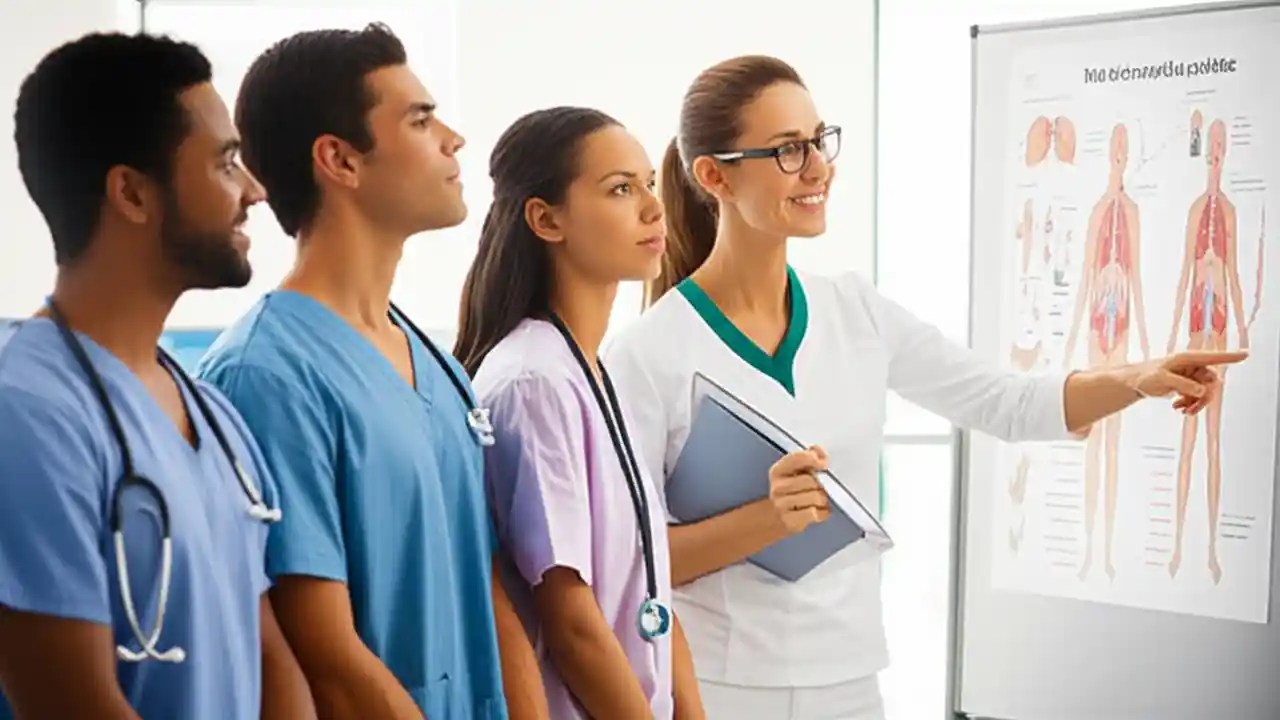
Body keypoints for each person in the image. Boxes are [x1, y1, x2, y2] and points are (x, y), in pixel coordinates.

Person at [602, 54, 1247, 719]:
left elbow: (1008, 403)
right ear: (714, 176)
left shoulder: (857, 312)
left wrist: (1136, 379)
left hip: (850, 681)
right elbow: (628, 564)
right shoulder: (647, 356)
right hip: (721, 687)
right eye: (788, 151)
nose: (819, 167)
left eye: (819, 140)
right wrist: (762, 522)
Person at [195, 24, 545, 720]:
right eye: (420, 120)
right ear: (340, 160)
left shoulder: (438, 368)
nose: (454, 139)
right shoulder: (265, 374)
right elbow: (322, 654)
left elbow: (487, 588)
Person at [0, 32, 314, 719]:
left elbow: (270, 660)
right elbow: (72, 704)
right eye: (228, 163)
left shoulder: (214, 420)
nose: (256, 192)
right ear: (133, 194)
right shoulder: (23, 415)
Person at [454, 106, 705, 720]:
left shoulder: (592, 370)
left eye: (649, 183)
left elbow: (647, 587)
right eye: (621, 189)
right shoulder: (534, 381)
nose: (653, 208)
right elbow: (570, 623)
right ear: (545, 219)